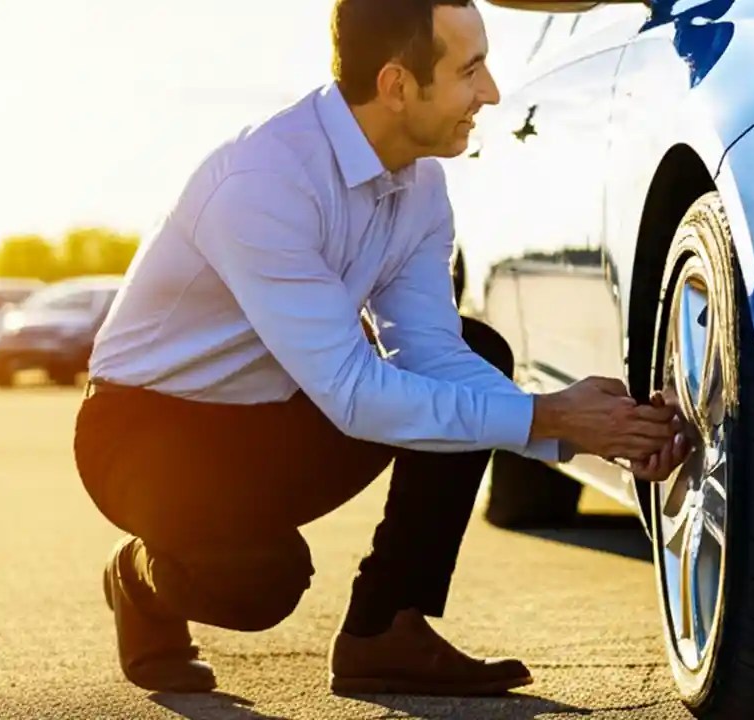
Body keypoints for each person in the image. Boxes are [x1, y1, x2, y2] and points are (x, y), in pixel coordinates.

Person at [72, 0, 690, 697]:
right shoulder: (262, 183)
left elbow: (433, 355)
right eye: (471, 70)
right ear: (398, 85)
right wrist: (549, 419)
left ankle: (386, 629)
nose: (490, 93)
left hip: (282, 413)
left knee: (476, 351)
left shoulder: (422, 184)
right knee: (259, 584)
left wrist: (592, 429)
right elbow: (355, 394)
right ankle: (140, 576)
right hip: (147, 429)